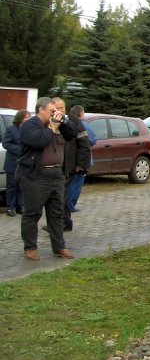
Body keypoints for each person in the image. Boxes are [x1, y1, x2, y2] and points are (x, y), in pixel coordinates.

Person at [17, 96, 77, 261]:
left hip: (57, 175)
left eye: (56, 111)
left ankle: (59, 247)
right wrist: (52, 127)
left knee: (56, 213)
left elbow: (72, 134)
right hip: (36, 176)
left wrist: (62, 121)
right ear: (41, 109)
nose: (55, 114)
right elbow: (39, 141)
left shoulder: (57, 124)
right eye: (52, 111)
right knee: (32, 213)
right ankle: (30, 247)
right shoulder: (29, 126)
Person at [62, 104, 92, 230]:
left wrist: (80, 165)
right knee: (63, 194)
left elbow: (88, 142)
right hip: (63, 165)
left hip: (72, 165)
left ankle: (64, 222)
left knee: (65, 194)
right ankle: (64, 222)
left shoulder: (78, 124)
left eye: (60, 107)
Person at [2, 109, 30, 216]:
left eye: (28, 118)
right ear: (20, 118)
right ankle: (10, 207)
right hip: (13, 163)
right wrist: (19, 150)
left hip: (24, 164)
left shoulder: (28, 130)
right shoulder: (11, 129)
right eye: (26, 117)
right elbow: (6, 143)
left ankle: (20, 206)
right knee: (12, 186)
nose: (28, 120)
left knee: (21, 186)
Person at [68, 116, 96, 213]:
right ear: (81, 114)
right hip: (81, 161)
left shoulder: (65, 124)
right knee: (76, 184)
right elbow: (92, 140)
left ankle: (66, 205)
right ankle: (70, 205)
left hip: (69, 161)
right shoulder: (84, 126)